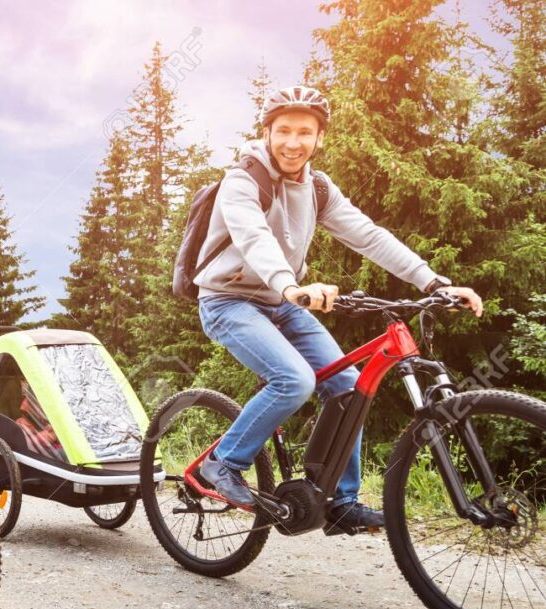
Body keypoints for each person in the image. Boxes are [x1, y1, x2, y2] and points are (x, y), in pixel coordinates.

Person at [193, 86, 483, 532]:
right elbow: (254, 238)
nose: (293, 142)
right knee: (293, 380)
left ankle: (342, 502)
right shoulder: (242, 180)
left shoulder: (319, 189)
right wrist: (291, 286)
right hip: (228, 300)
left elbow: (369, 235)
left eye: (304, 132)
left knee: (349, 387)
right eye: (284, 131)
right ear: (267, 133)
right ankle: (223, 463)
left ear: (319, 138)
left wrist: (433, 281)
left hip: (280, 302)